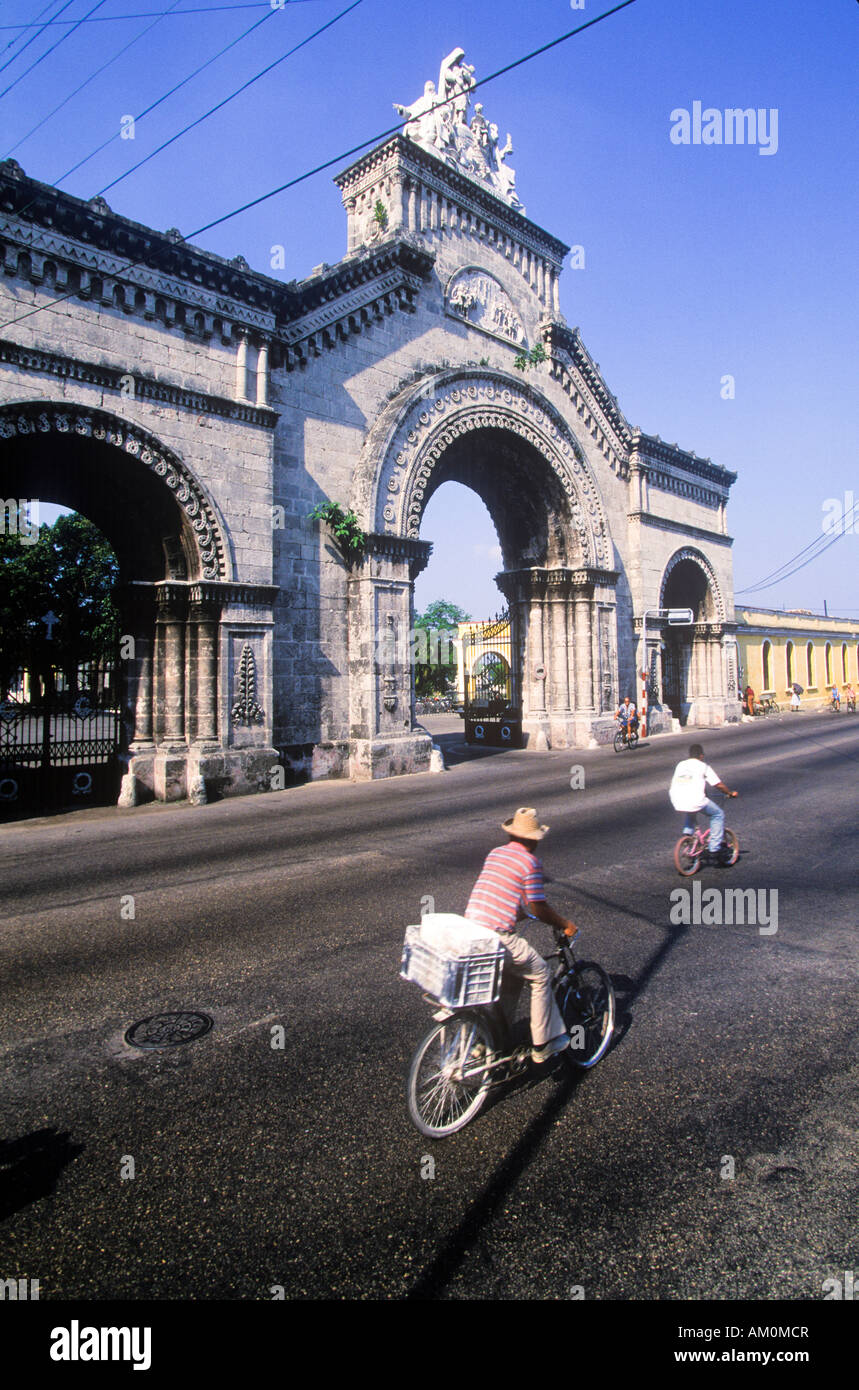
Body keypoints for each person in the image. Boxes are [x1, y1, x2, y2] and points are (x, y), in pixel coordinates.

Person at [465, 807, 576, 1064]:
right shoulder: (530, 862)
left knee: (512, 979)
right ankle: (543, 1043)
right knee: (540, 974)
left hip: (472, 929)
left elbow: (499, 889)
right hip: (498, 938)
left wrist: (517, 913)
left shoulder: (495, 853)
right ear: (533, 839)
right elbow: (538, 905)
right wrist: (565, 923)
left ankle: (491, 1040)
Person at [669, 744, 738, 865]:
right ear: (701, 756)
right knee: (718, 814)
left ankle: (688, 836)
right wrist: (730, 792)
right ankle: (714, 848)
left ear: (689, 755)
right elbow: (718, 784)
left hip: (676, 798)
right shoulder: (704, 767)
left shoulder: (681, 764)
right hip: (695, 799)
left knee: (691, 812)